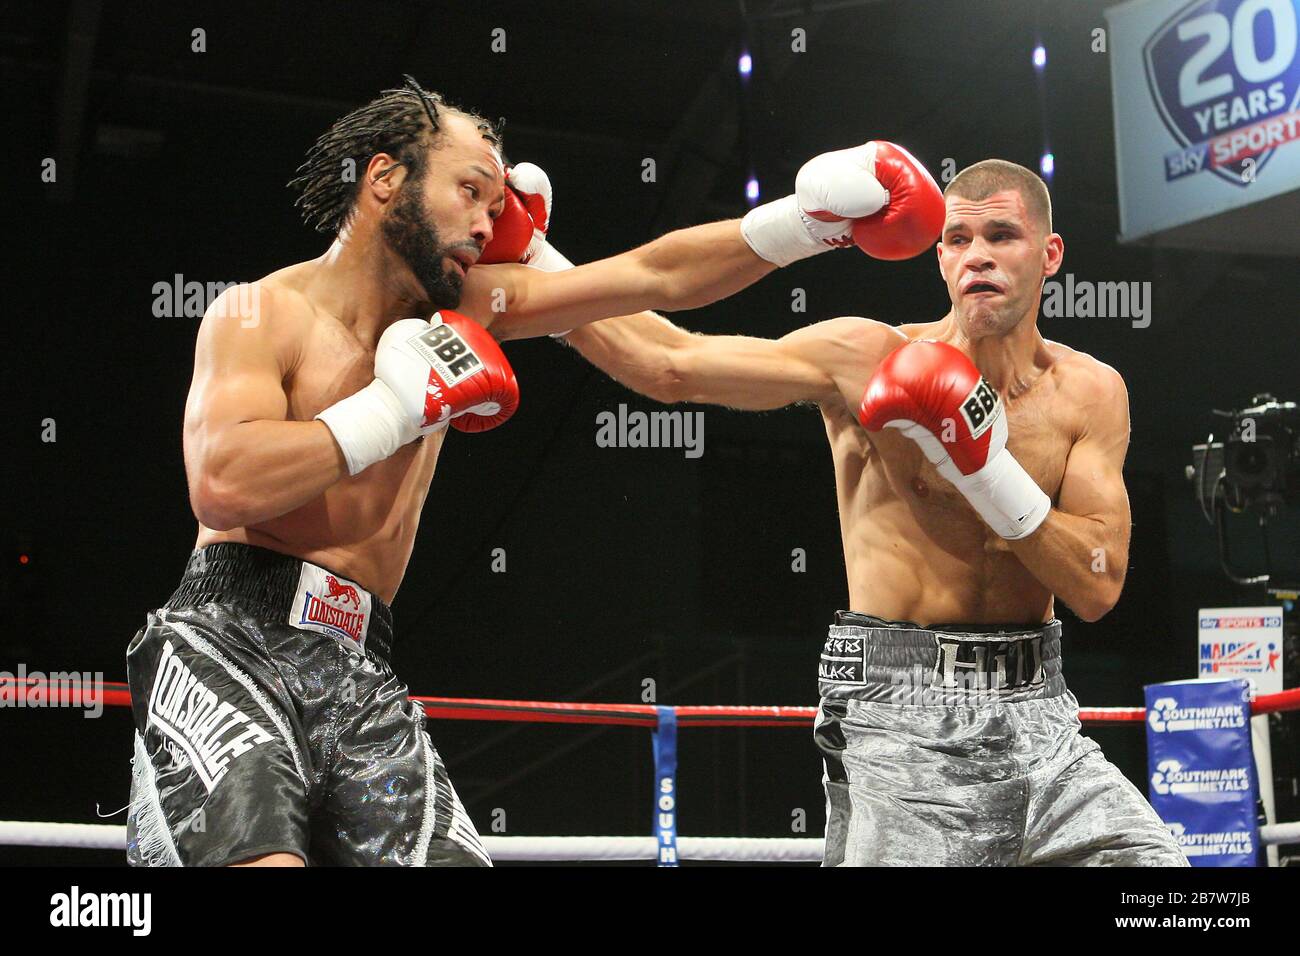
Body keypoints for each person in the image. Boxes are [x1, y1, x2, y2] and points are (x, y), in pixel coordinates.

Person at [125, 76, 925, 866]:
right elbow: (225, 483)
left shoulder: (469, 308)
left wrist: (807, 223)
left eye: (495, 204)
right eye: (469, 192)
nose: (485, 222)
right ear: (383, 178)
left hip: (358, 658)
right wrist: (390, 411)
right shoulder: (261, 314)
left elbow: (650, 279)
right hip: (229, 639)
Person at [560, 158, 1189, 866]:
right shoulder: (867, 357)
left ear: (1050, 255)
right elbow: (669, 363)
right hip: (901, 707)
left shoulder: (1091, 392)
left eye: (1002, 235)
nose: (977, 254)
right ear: (940, 257)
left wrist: (986, 471)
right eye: (956, 239)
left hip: (1041, 711)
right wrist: (539, 271)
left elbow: (1097, 586)